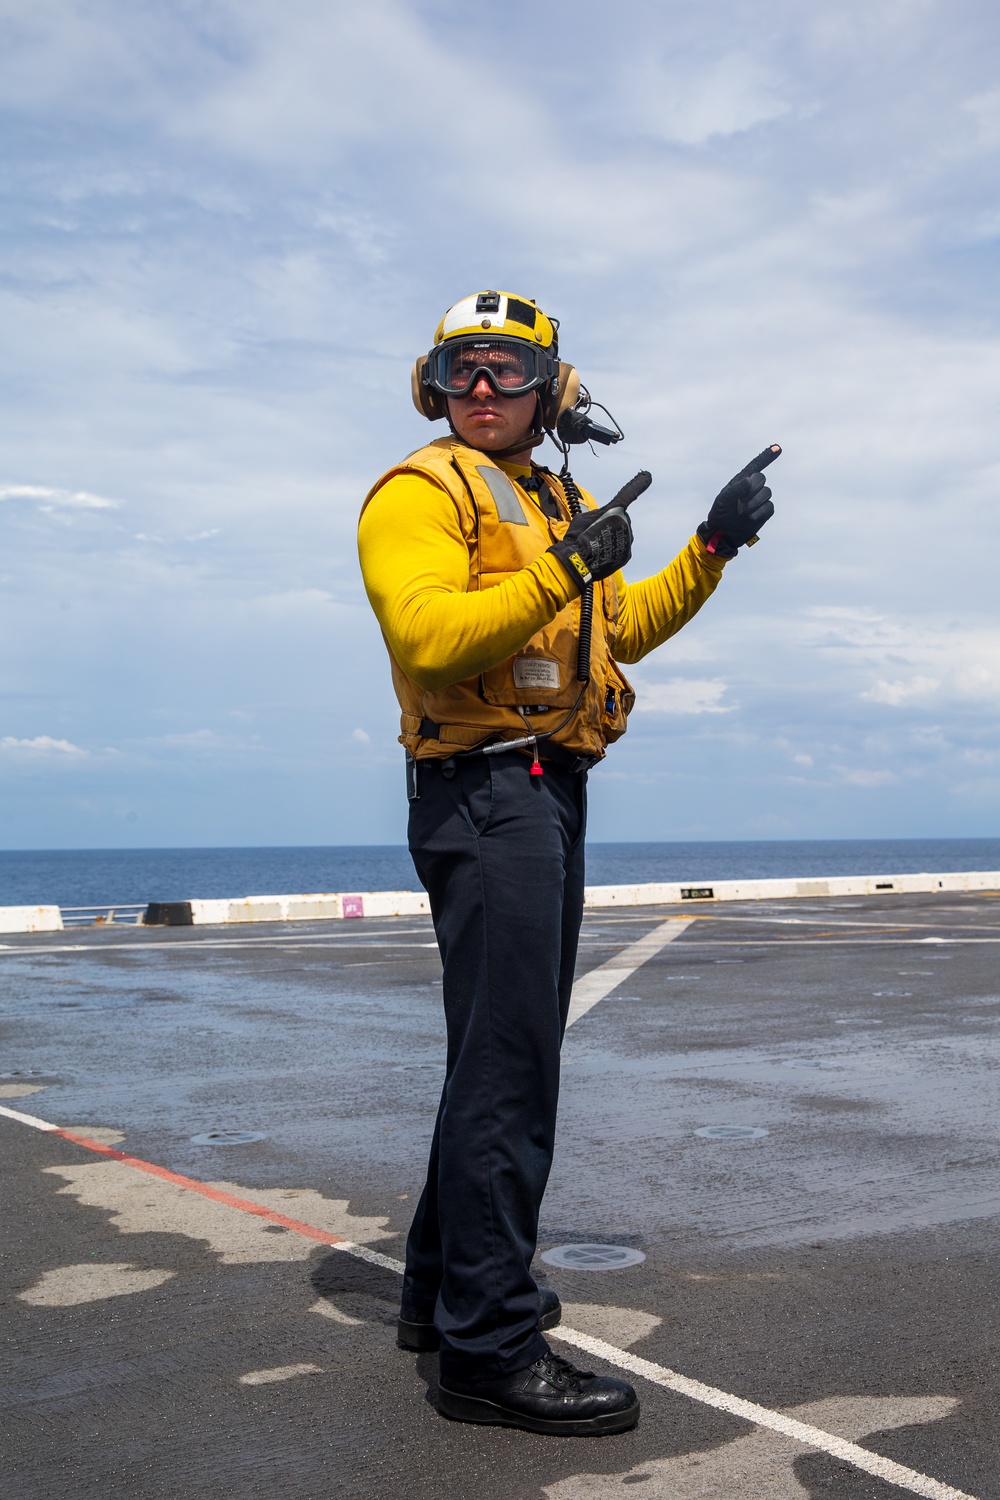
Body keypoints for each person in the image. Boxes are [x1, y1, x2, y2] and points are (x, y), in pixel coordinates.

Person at [357, 290, 778, 1436]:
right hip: (488, 795)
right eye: (462, 368)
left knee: (493, 1057)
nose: (482, 388)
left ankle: (439, 1295)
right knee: (510, 1071)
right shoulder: (419, 492)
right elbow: (426, 636)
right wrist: (562, 568)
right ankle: (489, 1352)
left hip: (539, 788)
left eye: (505, 370)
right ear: (431, 383)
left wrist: (711, 547)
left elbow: (614, 629)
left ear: (551, 388)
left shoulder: (546, 497)